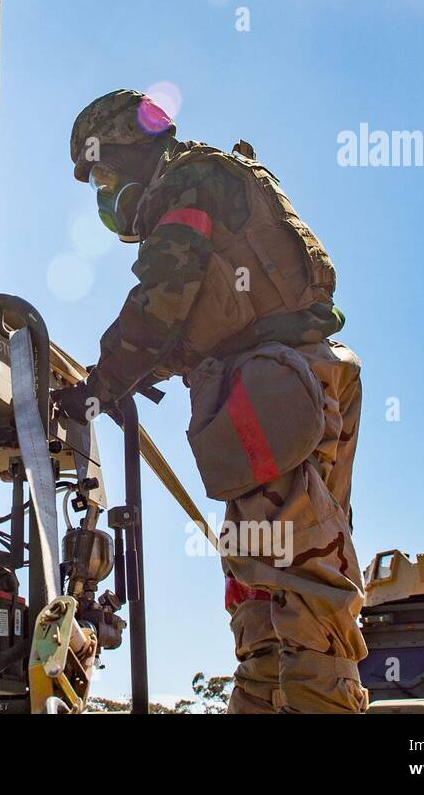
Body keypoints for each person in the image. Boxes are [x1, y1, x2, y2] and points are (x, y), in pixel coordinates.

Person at [52, 89, 368, 713]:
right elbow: (212, 307)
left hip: (274, 390)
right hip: (297, 383)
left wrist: (104, 382)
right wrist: (151, 369)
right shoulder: (214, 182)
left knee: (298, 592)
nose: (103, 194)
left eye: (105, 174)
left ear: (135, 150)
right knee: (265, 595)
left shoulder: (187, 181)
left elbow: (168, 287)